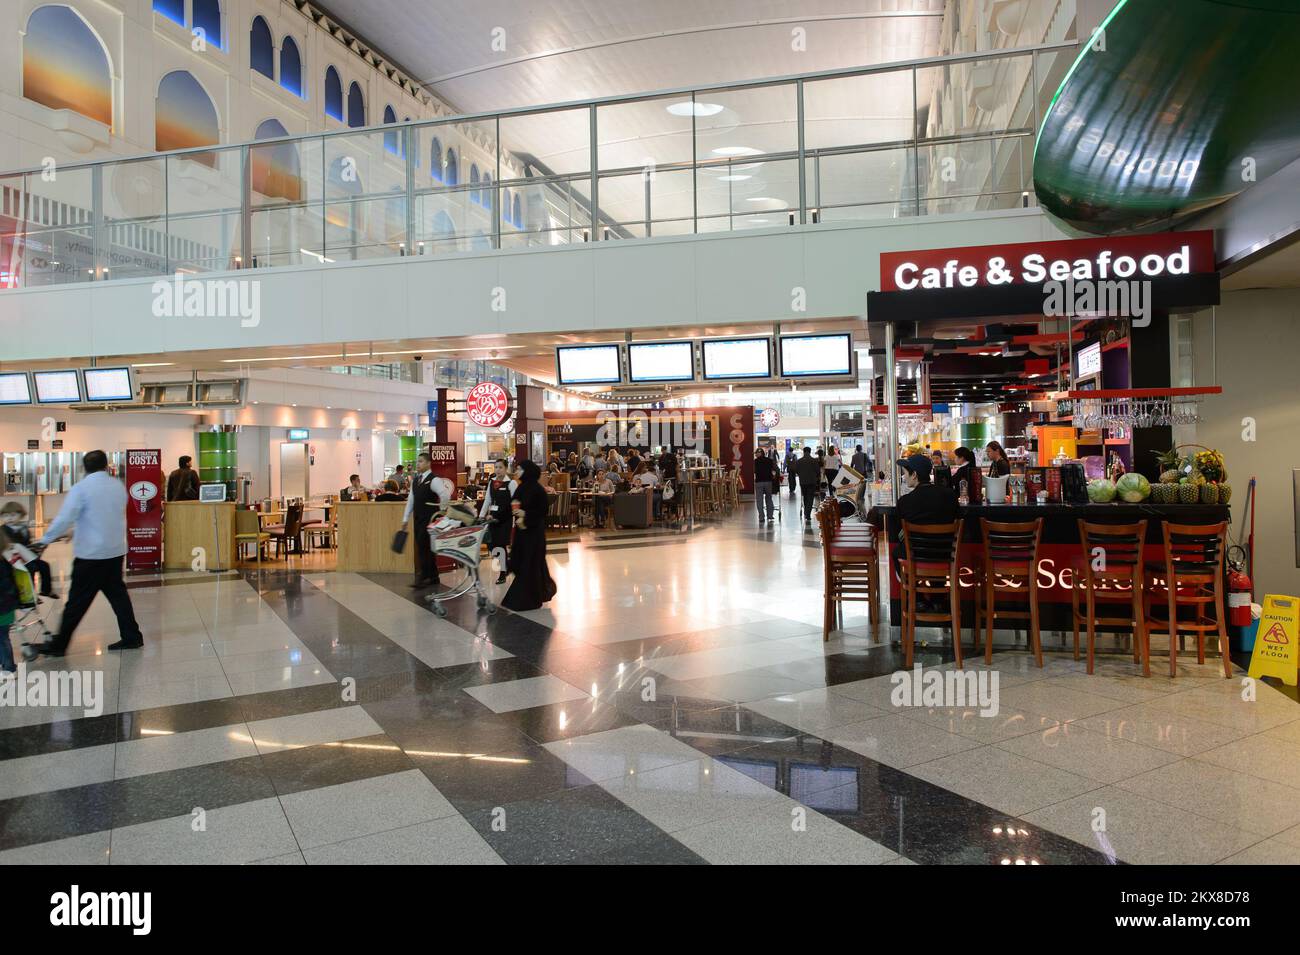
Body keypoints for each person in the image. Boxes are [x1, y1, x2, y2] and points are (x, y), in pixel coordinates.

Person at [33, 450, 144, 656]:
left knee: (76, 602)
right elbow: (106, 516)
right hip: (114, 552)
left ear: (84, 467)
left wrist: (45, 540)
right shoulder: (117, 487)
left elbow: (65, 517)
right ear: (106, 465)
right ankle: (132, 636)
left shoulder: (81, 488)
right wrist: (77, 531)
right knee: (119, 597)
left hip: (91, 556)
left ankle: (59, 645)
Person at [501, 461, 556, 611]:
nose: (516, 471)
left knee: (529, 565)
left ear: (527, 471)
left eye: (519, 469)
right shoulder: (521, 488)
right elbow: (511, 505)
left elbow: (542, 511)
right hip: (522, 533)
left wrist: (526, 514)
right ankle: (539, 592)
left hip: (533, 534)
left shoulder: (538, 489)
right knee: (524, 563)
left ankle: (526, 600)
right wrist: (495, 516)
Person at [402, 452, 440, 589]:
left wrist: (441, 511)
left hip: (429, 518)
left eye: (421, 461)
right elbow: (411, 500)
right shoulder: (416, 480)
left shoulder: (434, 480)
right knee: (423, 547)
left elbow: (444, 494)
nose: (418, 464)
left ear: (429, 463)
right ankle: (433, 576)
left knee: (425, 546)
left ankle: (424, 576)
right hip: (418, 519)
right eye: (417, 462)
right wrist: (405, 518)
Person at [1, 501, 53, 598]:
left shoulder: (24, 528)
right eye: (6, 515)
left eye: (13, 515)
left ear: (21, 516)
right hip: (11, 560)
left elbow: (27, 544)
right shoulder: (2, 530)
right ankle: (30, 595)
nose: (9, 518)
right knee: (31, 568)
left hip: (25, 557)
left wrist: (37, 548)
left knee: (44, 565)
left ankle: (46, 590)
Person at [479, 459, 515, 584]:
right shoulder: (492, 482)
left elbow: (515, 502)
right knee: (492, 545)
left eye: (500, 467)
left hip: (505, 519)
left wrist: (516, 518)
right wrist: (481, 515)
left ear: (506, 469)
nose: (498, 470)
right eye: (496, 467)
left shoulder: (511, 483)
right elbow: (487, 500)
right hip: (493, 518)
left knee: (500, 544)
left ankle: (503, 572)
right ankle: (508, 564)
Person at [794, 447, 823, 524]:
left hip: (803, 482)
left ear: (804, 452)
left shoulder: (799, 461)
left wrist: (801, 475)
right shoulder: (814, 460)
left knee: (805, 496)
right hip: (812, 481)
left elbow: (796, 471)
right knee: (810, 497)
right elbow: (817, 471)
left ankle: (806, 512)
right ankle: (807, 513)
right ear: (810, 452)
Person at [753, 448, 777, 523]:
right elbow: (774, 469)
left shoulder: (755, 461)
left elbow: (754, 471)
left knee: (759, 499)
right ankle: (770, 515)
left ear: (759, 453)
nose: (755, 455)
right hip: (768, 482)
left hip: (759, 482)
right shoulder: (769, 460)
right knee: (769, 498)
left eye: (756, 453)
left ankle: (761, 517)